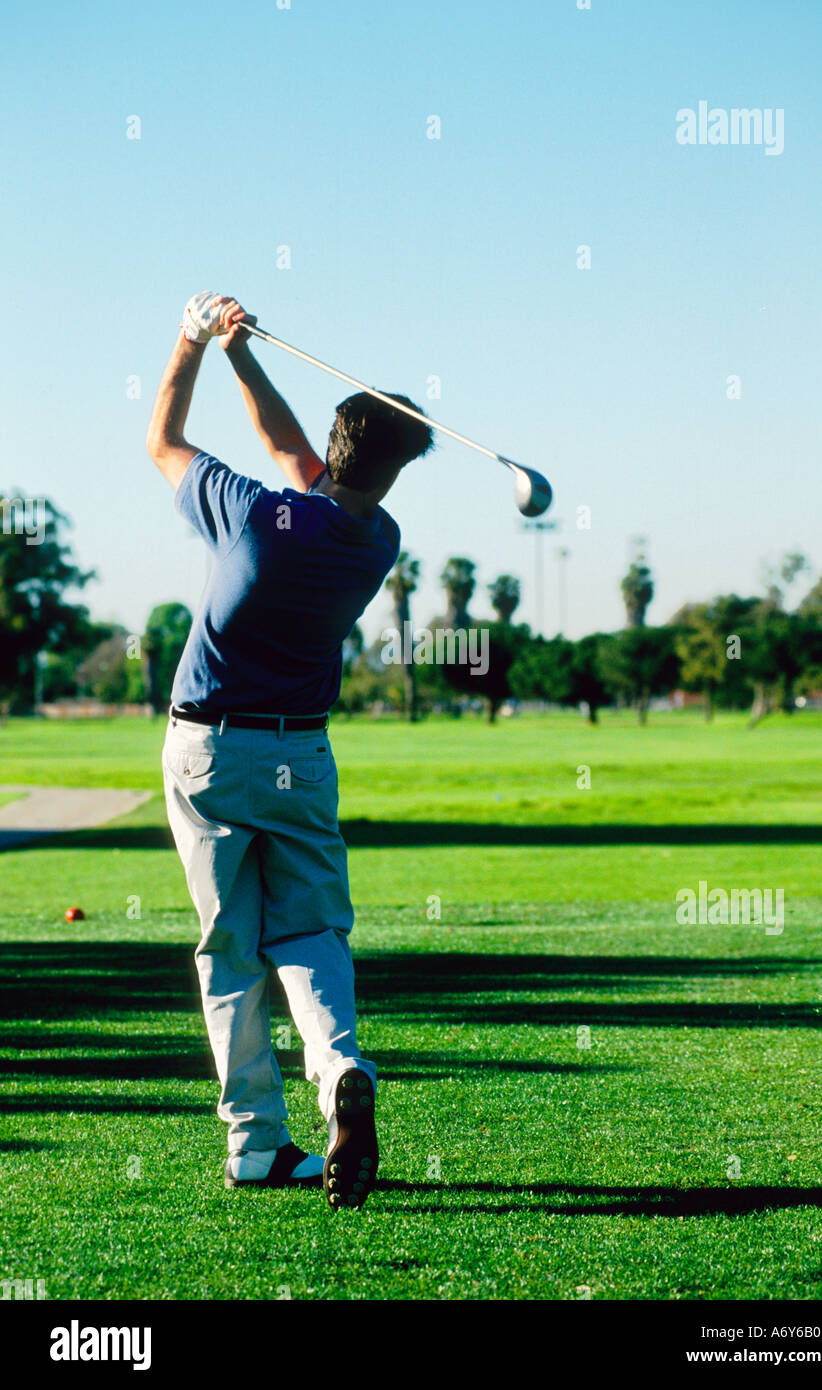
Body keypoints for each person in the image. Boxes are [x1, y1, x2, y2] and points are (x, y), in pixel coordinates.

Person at [146, 292, 434, 1209]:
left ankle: (257, 1145)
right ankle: (341, 1066)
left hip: (208, 751)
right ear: (393, 467)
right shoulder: (375, 541)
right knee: (309, 930)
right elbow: (300, 457)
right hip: (300, 760)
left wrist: (198, 339)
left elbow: (162, 441)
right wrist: (242, 357)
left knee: (230, 948)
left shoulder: (245, 513)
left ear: (336, 444)